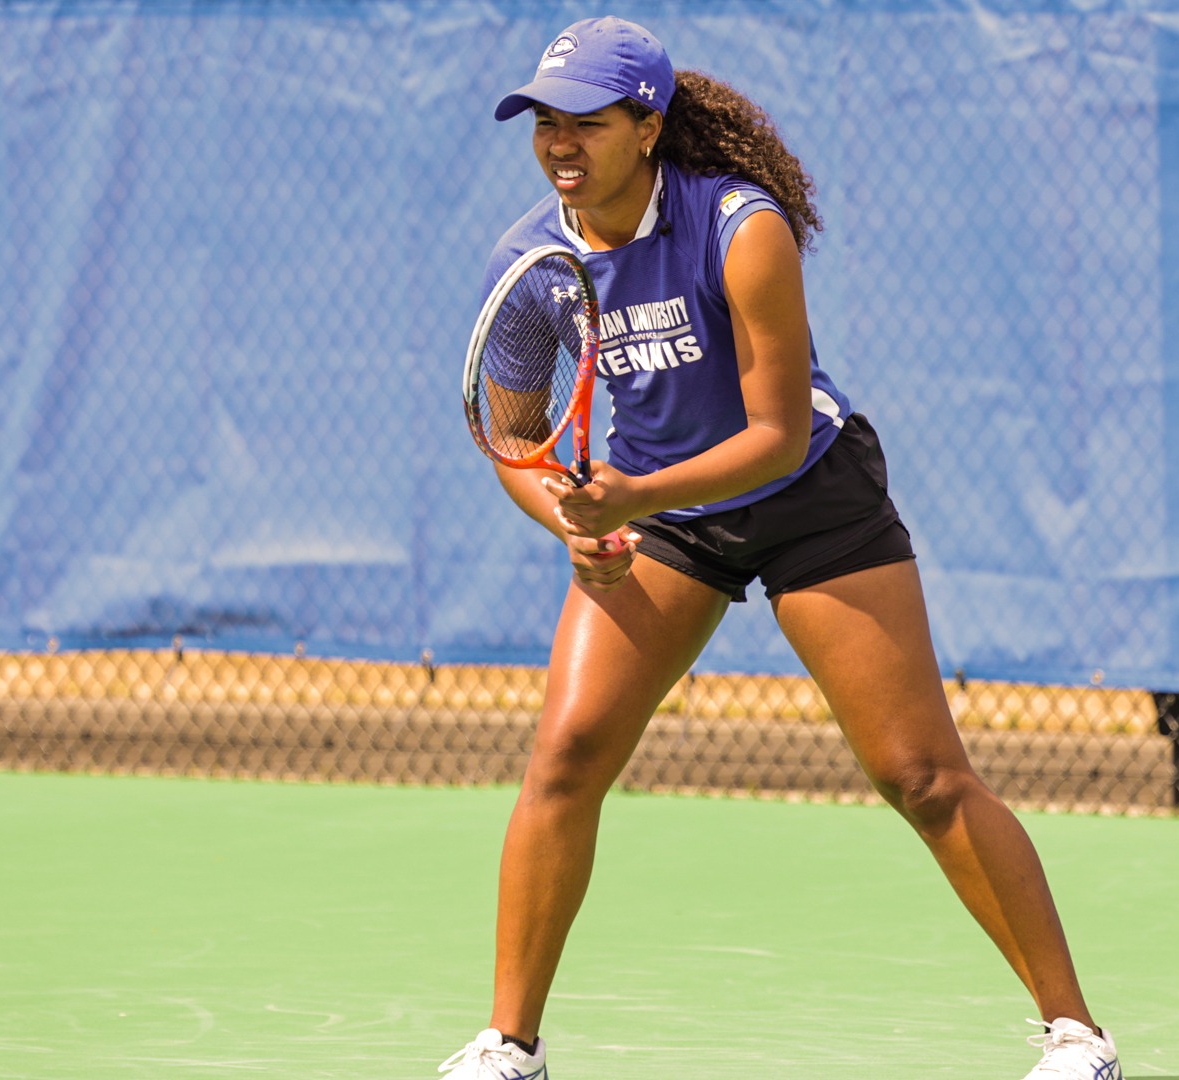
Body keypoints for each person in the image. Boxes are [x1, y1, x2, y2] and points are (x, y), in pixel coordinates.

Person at [439, 16, 1119, 1080]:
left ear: (647, 127)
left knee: (922, 774)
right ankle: (506, 1046)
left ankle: (1078, 1035)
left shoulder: (738, 225)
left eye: (585, 122)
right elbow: (518, 439)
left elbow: (775, 434)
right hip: (658, 510)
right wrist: (574, 521)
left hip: (807, 492)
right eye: (542, 124)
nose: (559, 143)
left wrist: (634, 492)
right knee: (565, 759)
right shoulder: (530, 261)